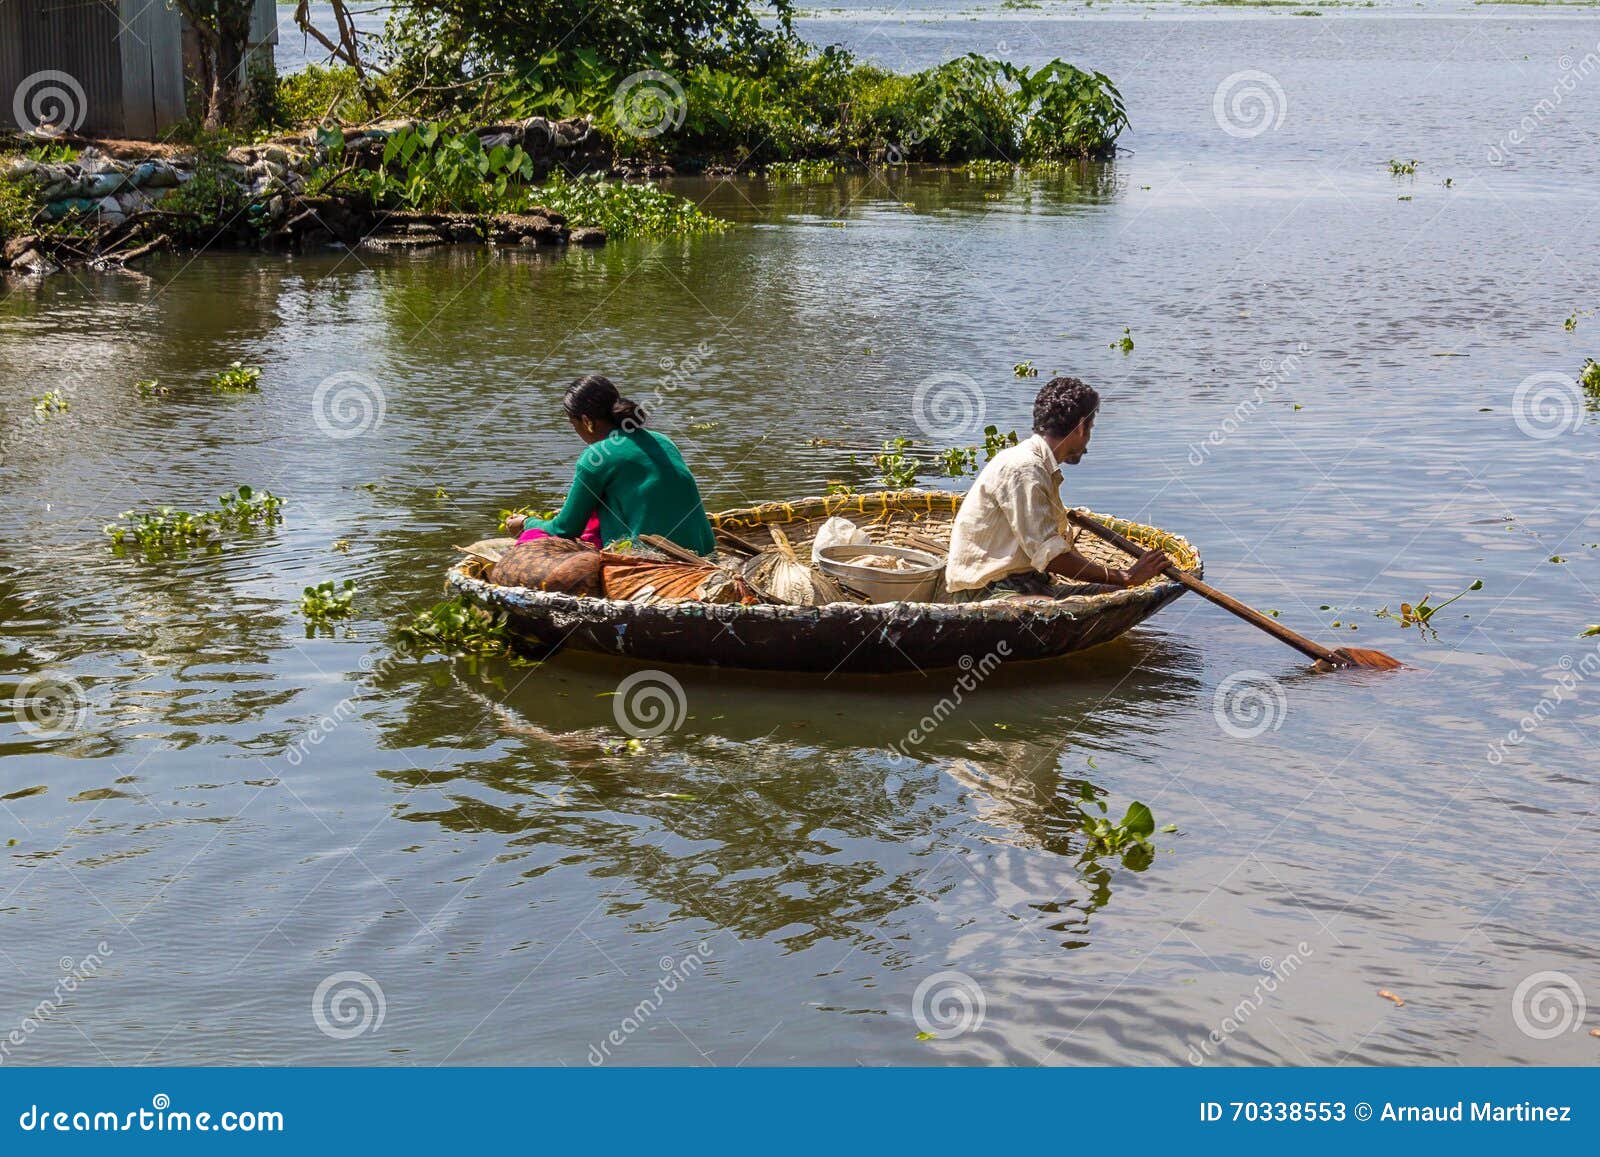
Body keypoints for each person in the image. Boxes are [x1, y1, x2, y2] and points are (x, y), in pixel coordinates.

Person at [944, 377, 1168, 601]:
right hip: (984, 592)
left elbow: (1054, 549)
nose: (1088, 439)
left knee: (1115, 596)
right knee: (1049, 608)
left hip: (1025, 584)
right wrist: (1124, 576)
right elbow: (1050, 556)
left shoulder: (1039, 466)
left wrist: (1120, 581)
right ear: (1081, 427)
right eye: (1090, 428)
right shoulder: (1024, 467)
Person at [507, 375, 717, 556]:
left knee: (533, 537)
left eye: (574, 425)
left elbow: (565, 529)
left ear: (587, 421)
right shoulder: (663, 441)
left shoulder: (595, 457)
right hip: (704, 552)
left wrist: (527, 523)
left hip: (655, 559)